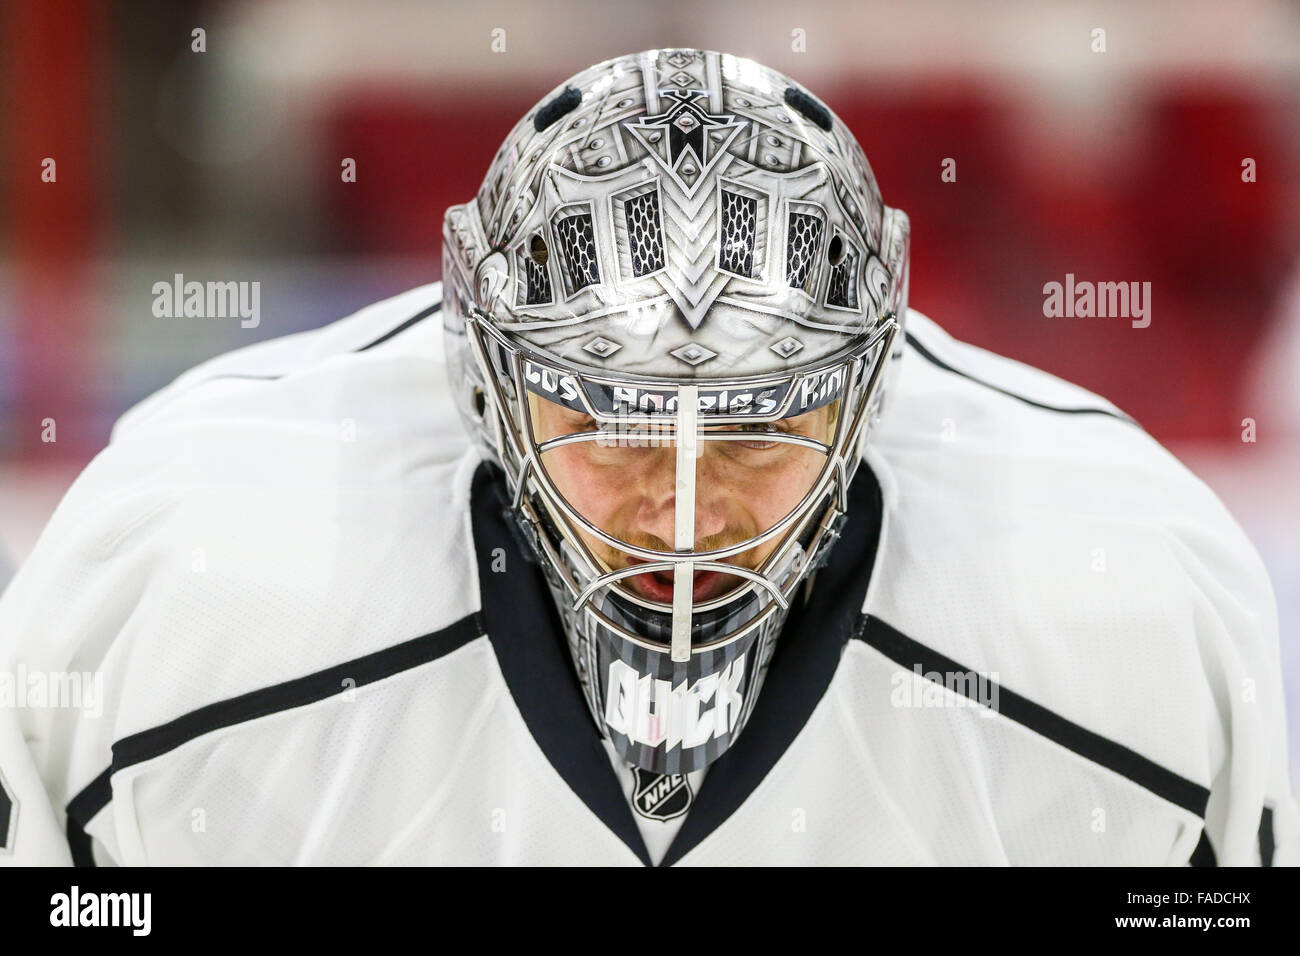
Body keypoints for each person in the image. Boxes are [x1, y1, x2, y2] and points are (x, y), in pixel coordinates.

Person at [0, 48, 1294, 866]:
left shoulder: (1130, 613)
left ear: (866, 389)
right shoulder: (186, 574)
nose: (680, 514)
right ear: (484, 378)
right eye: (607, 421)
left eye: (756, 426)